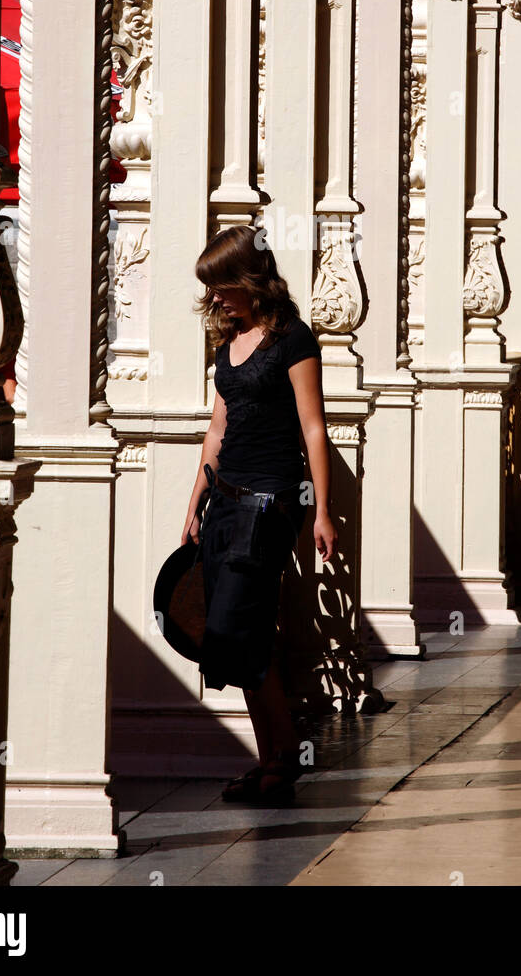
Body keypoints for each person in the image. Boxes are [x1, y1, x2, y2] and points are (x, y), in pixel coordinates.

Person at [182, 224, 337, 804]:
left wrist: (323, 511)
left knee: (235, 629)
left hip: (270, 500)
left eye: (223, 284)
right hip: (224, 501)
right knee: (243, 637)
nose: (217, 296)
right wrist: (194, 505)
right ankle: (270, 758)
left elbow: (313, 427)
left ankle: (286, 751)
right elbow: (215, 432)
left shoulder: (293, 339)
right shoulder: (228, 344)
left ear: (249, 279)